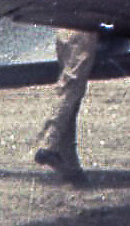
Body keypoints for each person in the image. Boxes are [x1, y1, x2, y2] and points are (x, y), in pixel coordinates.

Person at [32, 27, 101, 185]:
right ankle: (48, 144)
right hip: (82, 31)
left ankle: (70, 167)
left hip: (64, 30)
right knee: (71, 89)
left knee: (70, 93)